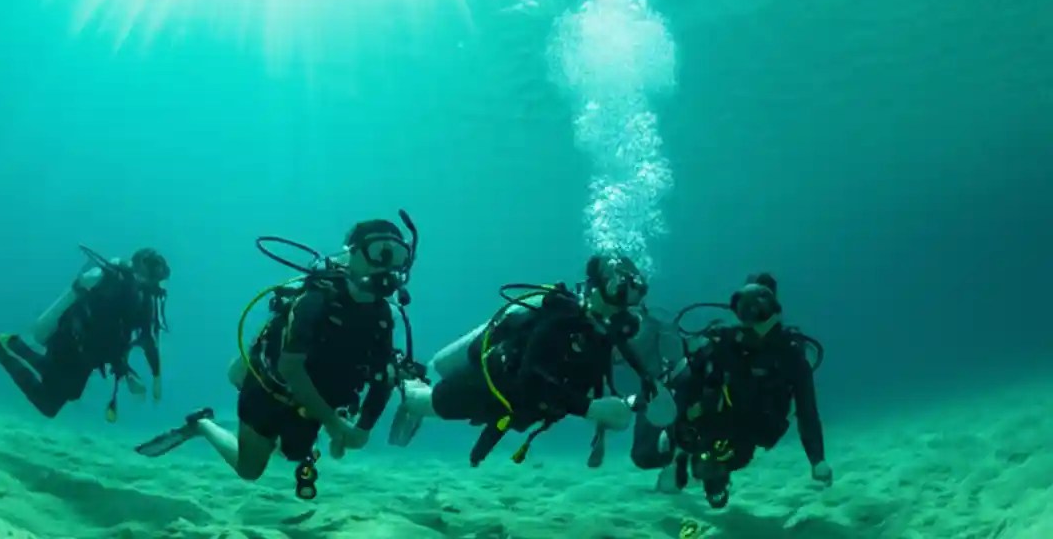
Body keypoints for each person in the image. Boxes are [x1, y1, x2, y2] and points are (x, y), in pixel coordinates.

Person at [136, 213, 420, 500]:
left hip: (313, 404)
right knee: (249, 470)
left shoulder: (383, 316)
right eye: (380, 253)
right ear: (353, 254)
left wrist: (363, 428)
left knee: (293, 454)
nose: (390, 268)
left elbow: (385, 375)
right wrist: (335, 425)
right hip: (269, 392)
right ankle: (202, 424)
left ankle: (272, 438)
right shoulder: (315, 300)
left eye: (399, 256)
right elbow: (291, 368)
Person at [389, 254, 677, 467]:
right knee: (420, 402)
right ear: (598, 285)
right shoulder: (560, 317)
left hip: (519, 408)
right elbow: (530, 377)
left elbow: (601, 383)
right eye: (620, 288)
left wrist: (638, 393)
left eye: (635, 292)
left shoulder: (605, 333)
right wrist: (590, 409)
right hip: (487, 389)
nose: (626, 302)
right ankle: (403, 375)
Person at [630, 272, 832, 509]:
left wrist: (817, 459)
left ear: (774, 308)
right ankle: (679, 456)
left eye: (759, 303)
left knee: (716, 471)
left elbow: (807, 411)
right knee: (645, 455)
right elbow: (686, 382)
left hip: (746, 435)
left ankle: (708, 476)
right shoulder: (722, 343)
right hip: (704, 422)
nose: (750, 315)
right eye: (743, 306)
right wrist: (673, 426)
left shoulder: (791, 356)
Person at [0, 246, 171, 421]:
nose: (153, 283)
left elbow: (147, 339)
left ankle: (10, 344)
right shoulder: (111, 282)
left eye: (157, 278)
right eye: (151, 275)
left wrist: (153, 376)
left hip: (88, 357)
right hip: (69, 343)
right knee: (48, 404)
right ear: (138, 267)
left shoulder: (145, 301)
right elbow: (84, 309)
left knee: (57, 396)